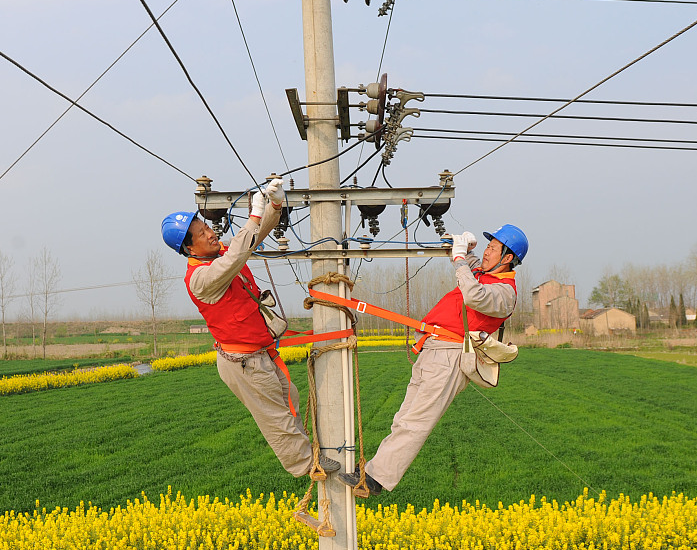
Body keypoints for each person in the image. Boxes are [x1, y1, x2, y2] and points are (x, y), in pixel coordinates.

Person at [160, 179, 339, 478]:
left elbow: (251, 238)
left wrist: (274, 207)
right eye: (202, 233)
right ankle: (307, 465)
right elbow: (237, 254)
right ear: (189, 247)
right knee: (275, 417)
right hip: (243, 362)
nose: (211, 232)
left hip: (261, 353)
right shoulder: (200, 278)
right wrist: (254, 215)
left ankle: (309, 453)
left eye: (206, 226)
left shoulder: (222, 255)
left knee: (289, 399)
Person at [339, 223, 527, 495]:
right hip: (433, 350)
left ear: (508, 258)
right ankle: (374, 472)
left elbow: (473, 295)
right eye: (487, 246)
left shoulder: (504, 292)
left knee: (416, 420)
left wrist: (460, 258)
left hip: (450, 356)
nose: (487, 252)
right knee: (404, 418)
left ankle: (375, 478)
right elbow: (472, 268)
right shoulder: (485, 276)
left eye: (492, 248)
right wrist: (463, 248)